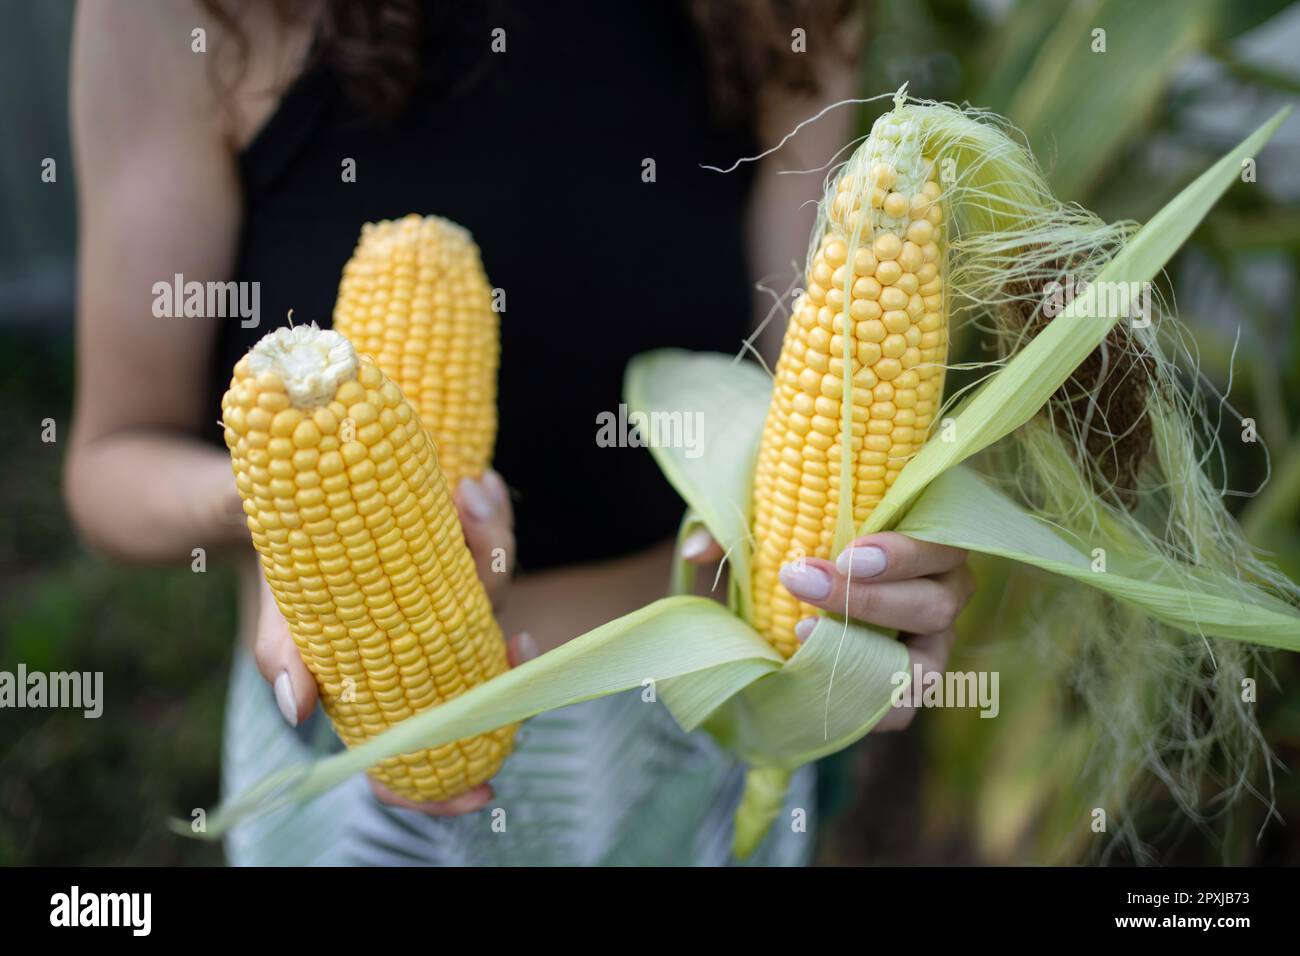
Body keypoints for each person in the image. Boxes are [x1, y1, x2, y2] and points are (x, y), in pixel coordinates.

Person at [65, 0, 974, 865]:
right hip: (357, 738)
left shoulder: (775, 9)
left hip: (697, 727)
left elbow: (810, 384)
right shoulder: (187, 18)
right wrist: (296, 514)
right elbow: (111, 462)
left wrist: (879, 560)